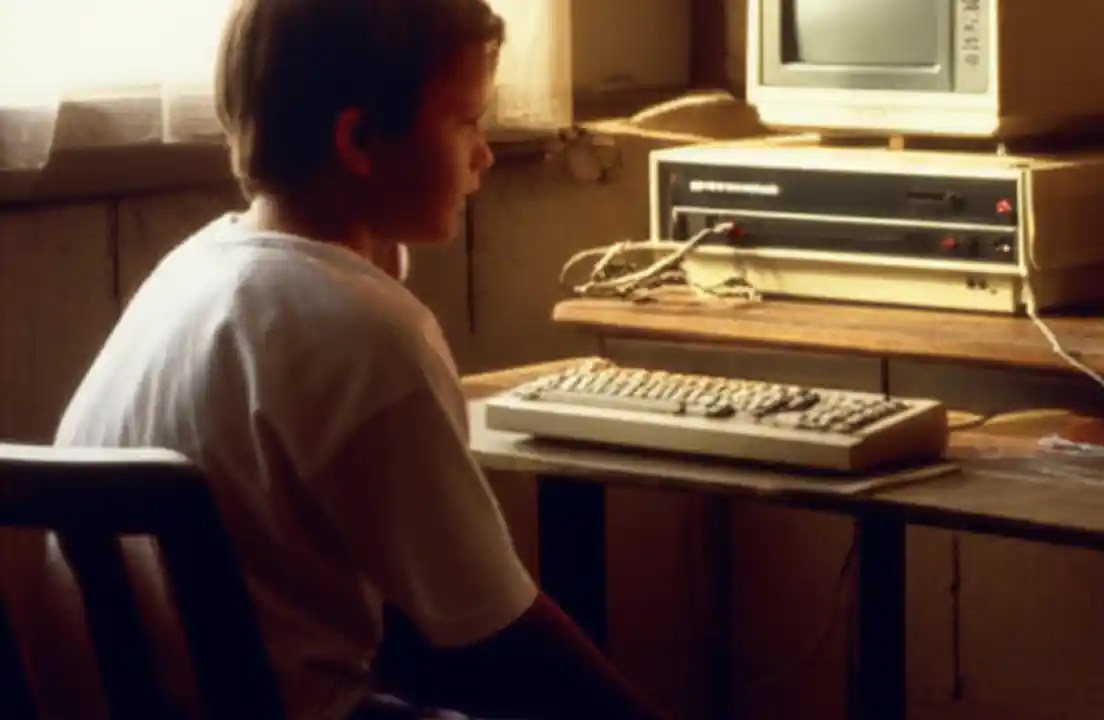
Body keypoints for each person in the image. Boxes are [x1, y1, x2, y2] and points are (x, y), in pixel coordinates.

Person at [54, 1, 668, 718]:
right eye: (466, 122)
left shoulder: (191, 275)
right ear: (359, 138)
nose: (485, 155)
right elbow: (497, 636)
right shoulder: (361, 330)